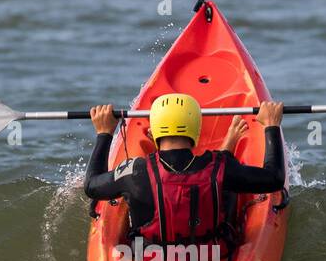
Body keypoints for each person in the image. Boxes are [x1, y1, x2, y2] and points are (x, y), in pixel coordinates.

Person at [82, 93, 285, 252]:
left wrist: (104, 132)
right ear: (195, 127)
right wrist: (272, 126)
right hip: (209, 259)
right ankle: (227, 148)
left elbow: (91, 186)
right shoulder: (221, 167)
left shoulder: (134, 171)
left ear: (155, 132)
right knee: (224, 179)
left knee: (135, 193)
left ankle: (224, 148)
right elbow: (274, 178)